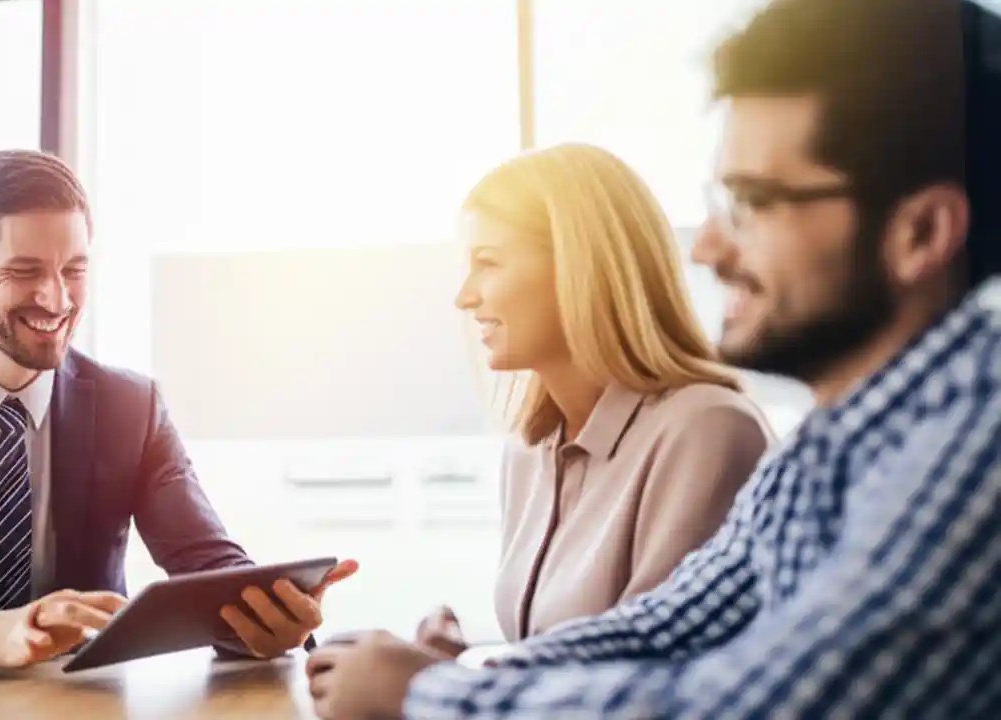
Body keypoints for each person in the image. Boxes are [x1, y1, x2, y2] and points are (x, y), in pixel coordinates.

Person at [306, 0, 1001, 716]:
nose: (705, 249)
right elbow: (669, 625)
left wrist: (429, 698)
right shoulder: (832, 446)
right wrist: (453, 676)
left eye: (754, 204)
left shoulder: (980, 444)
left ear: (921, 233)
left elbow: (747, 706)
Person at [0, 149, 357, 675]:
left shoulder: (130, 409)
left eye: (74, 271)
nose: (56, 300)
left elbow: (205, 563)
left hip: (82, 703)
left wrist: (263, 619)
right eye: (25, 272)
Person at [415, 144, 772, 660]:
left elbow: (648, 678)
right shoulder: (528, 452)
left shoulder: (708, 431)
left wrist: (441, 685)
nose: (465, 296)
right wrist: (455, 660)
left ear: (580, 266)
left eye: (487, 263)